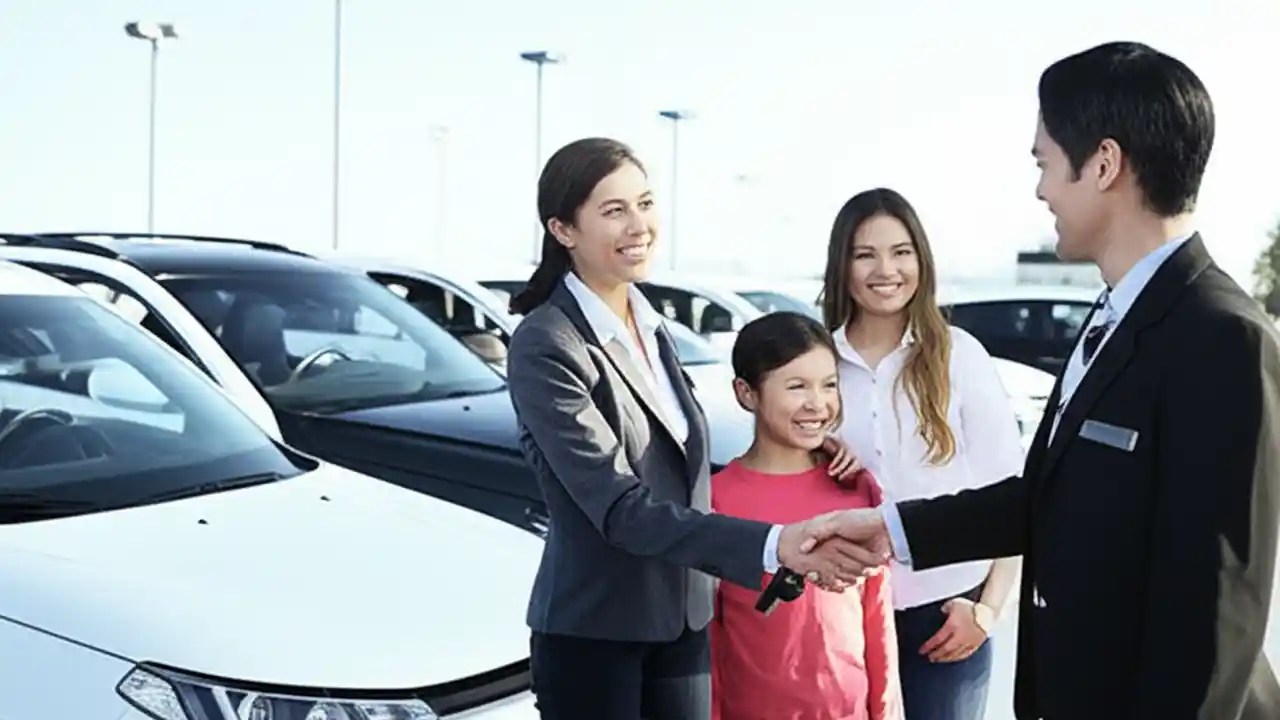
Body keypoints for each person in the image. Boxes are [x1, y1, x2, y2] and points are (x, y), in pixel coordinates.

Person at [819, 41, 1280, 719]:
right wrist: (889, 528)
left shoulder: (1221, 337)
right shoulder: (1116, 313)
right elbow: (1053, 500)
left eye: (1045, 164)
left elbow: (1217, 614)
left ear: (1103, 164)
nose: (1040, 190)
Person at [504, 137, 882, 720]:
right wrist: (770, 543)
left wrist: (807, 451)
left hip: (682, 621)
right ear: (563, 230)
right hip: (596, 635)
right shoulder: (547, 343)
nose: (639, 225)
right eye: (614, 210)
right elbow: (620, 506)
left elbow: (677, 471)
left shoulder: (651, 328)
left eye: (645, 203)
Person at [820, 187, 1024, 720]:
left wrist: (987, 610)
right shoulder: (817, 363)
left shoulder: (961, 356)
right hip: (843, 618)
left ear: (921, 261)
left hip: (948, 616)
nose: (885, 269)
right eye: (865, 254)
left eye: (901, 251)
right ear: (841, 265)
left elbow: (1015, 498)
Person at [710, 311, 903, 720]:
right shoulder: (715, 501)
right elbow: (710, 637)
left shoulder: (856, 486)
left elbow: (877, 618)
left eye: (829, 385)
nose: (818, 403)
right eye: (797, 387)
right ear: (746, 393)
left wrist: (885, 712)